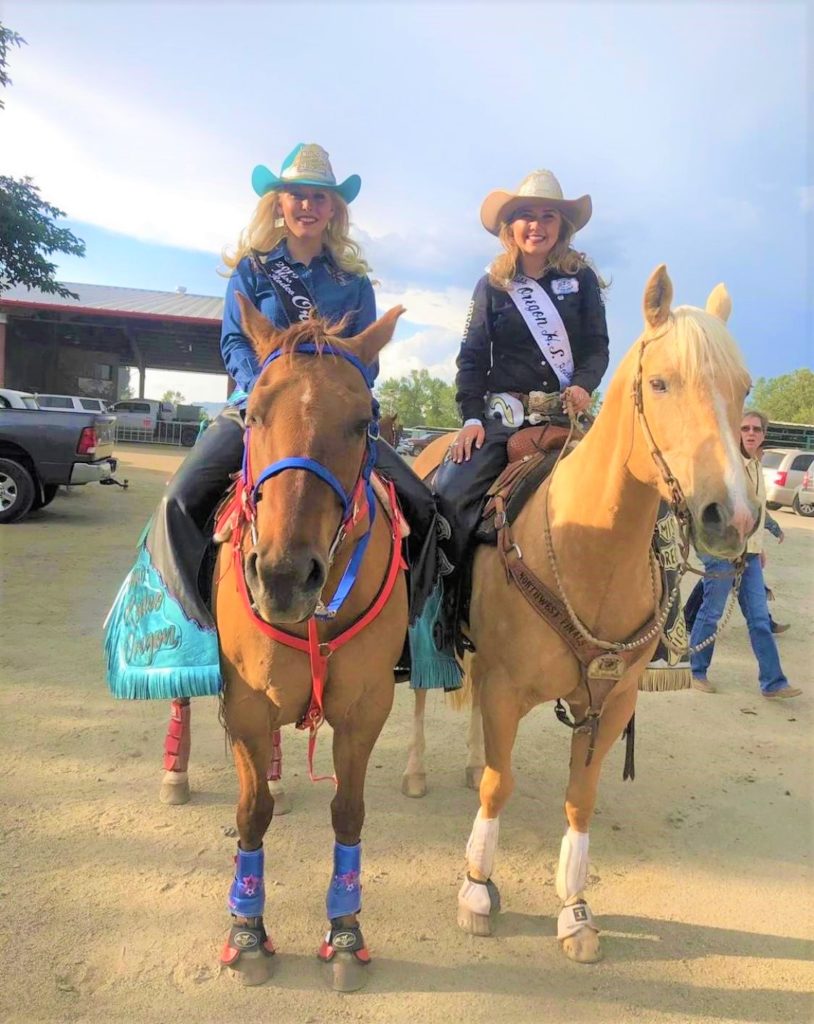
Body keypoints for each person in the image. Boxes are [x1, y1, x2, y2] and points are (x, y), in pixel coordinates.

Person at [105, 143, 439, 703]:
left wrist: (335, 390)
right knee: (178, 504)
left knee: (425, 509)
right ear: (278, 205)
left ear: (333, 210)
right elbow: (235, 339)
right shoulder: (252, 270)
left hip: (330, 415)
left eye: (319, 198)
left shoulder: (353, 281)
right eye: (297, 196)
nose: (307, 206)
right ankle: (200, 631)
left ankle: (409, 639)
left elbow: (364, 359)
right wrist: (265, 386)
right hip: (257, 405)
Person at [434, 168, 609, 603]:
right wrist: (471, 417)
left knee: (639, 500)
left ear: (561, 226)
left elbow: (597, 348)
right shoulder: (492, 286)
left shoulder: (582, 279)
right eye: (526, 215)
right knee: (450, 496)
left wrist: (585, 384)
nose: (537, 225)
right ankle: (445, 609)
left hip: (564, 416)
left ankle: (655, 633)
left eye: (548, 216)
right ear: (510, 226)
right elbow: (471, 359)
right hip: (504, 419)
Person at [689, 410, 802, 699]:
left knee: (760, 619)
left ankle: (773, 682)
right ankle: (695, 671)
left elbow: (757, 513)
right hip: (722, 551)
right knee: (711, 613)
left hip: (748, 555)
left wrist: (757, 546)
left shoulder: (755, 466)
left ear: (763, 435)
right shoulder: (724, 465)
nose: (751, 433)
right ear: (736, 432)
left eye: (756, 429)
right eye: (745, 428)